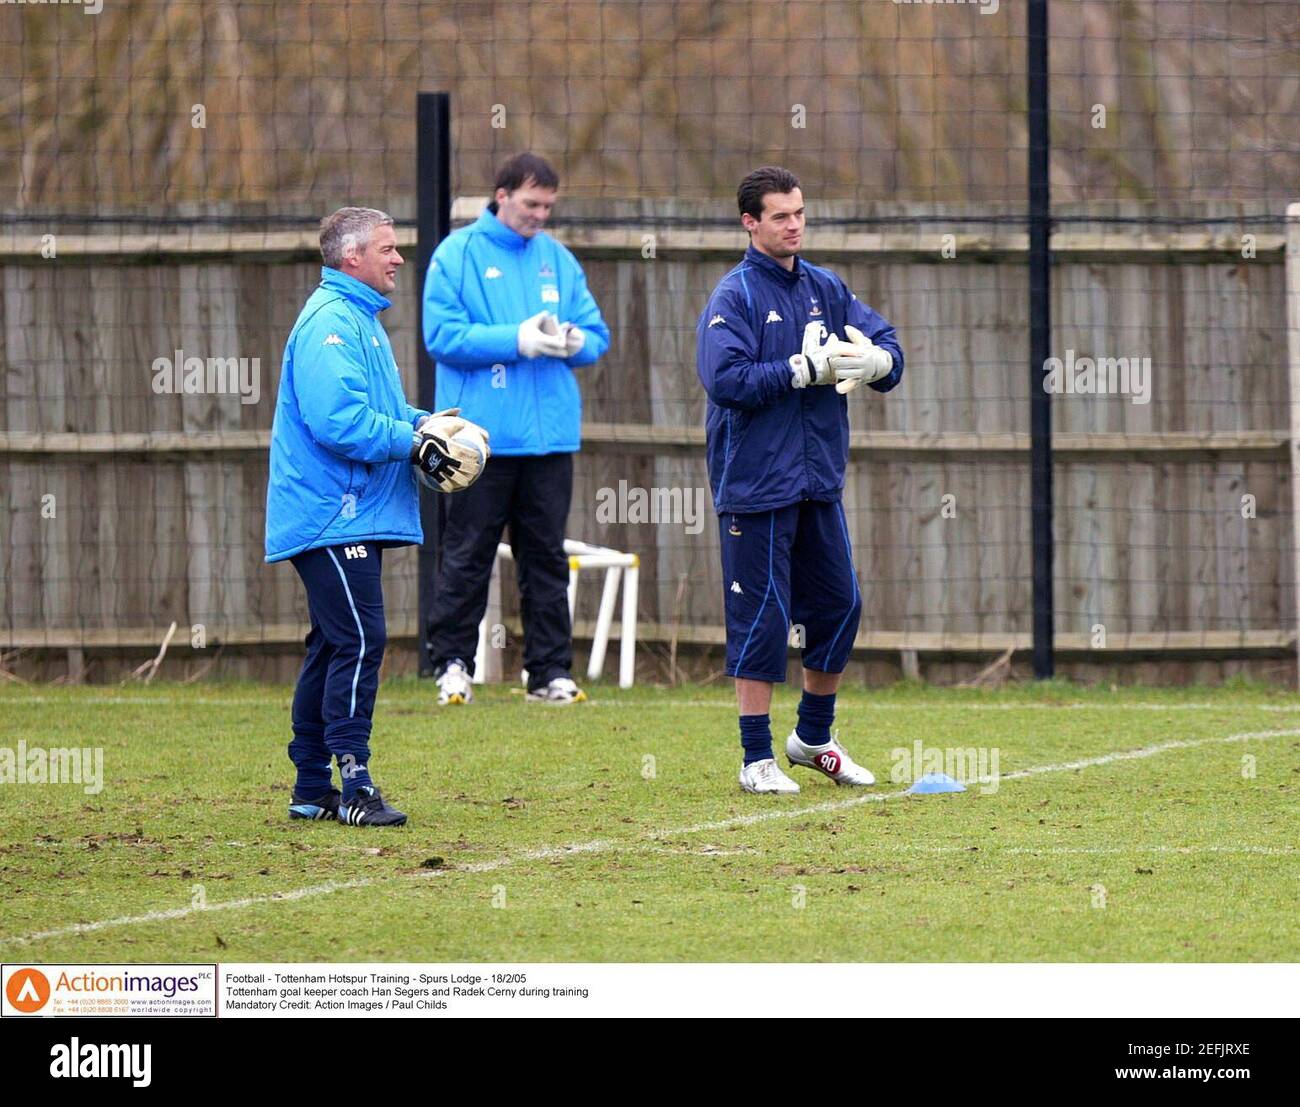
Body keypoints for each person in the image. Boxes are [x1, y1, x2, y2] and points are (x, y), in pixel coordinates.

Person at [266, 206, 485, 826]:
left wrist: (425, 423)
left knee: (332, 643)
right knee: (362, 640)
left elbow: (371, 410)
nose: (397, 259)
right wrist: (413, 443)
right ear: (352, 257)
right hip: (332, 513)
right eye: (387, 249)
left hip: (343, 513)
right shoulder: (331, 325)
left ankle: (312, 788)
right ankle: (354, 782)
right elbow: (337, 422)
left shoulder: (357, 321)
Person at [696, 166, 905, 794]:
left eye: (800, 213)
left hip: (819, 484)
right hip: (756, 484)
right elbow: (724, 379)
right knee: (762, 618)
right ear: (750, 222)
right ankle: (755, 757)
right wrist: (799, 368)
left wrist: (878, 360)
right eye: (780, 216)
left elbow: (888, 341)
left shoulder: (825, 286)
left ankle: (813, 738)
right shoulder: (734, 296)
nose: (794, 226)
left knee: (840, 606)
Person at [422, 152, 610, 705]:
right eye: (532, 204)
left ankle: (548, 673)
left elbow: (598, 336)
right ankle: (453, 665)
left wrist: (575, 342)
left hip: (550, 438)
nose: (540, 215)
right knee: (467, 553)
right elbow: (443, 337)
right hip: (479, 442)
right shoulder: (456, 256)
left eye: (549, 206)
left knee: (546, 557)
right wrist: (517, 340)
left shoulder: (558, 259)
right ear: (501, 195)